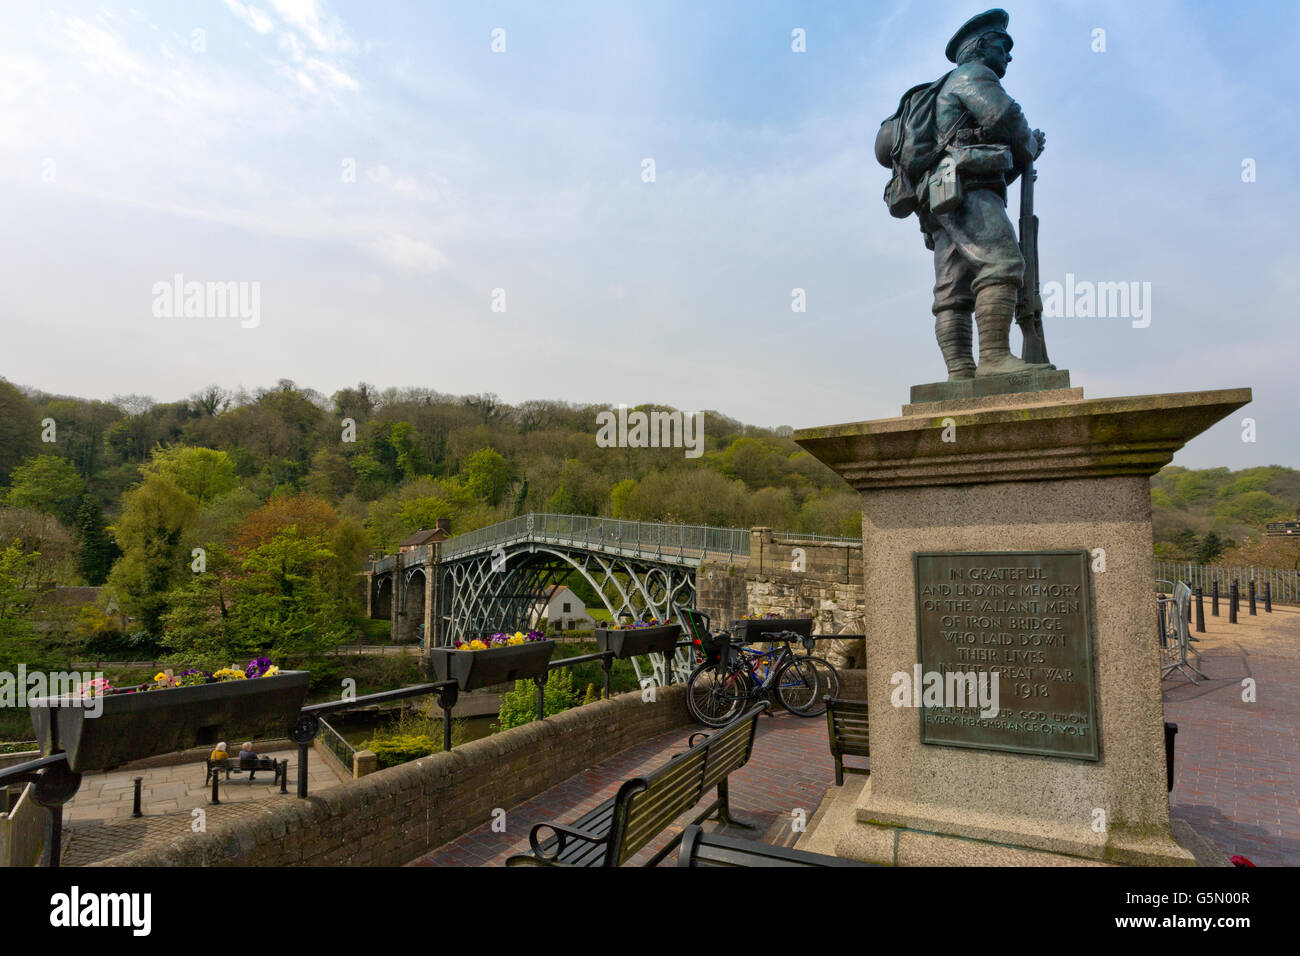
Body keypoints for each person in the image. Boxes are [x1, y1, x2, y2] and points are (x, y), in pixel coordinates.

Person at [920, 9, 1049, 380]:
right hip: (970, 188)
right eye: (1002, 44)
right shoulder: (973, 75)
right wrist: (1028, 145)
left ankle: (960, 370)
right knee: (1002, 264)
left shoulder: (946, 87)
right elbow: (1003, 116)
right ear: (979, 46)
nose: (1008, 54)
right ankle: (993, 358)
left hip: (943, 196)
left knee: (952, 287)